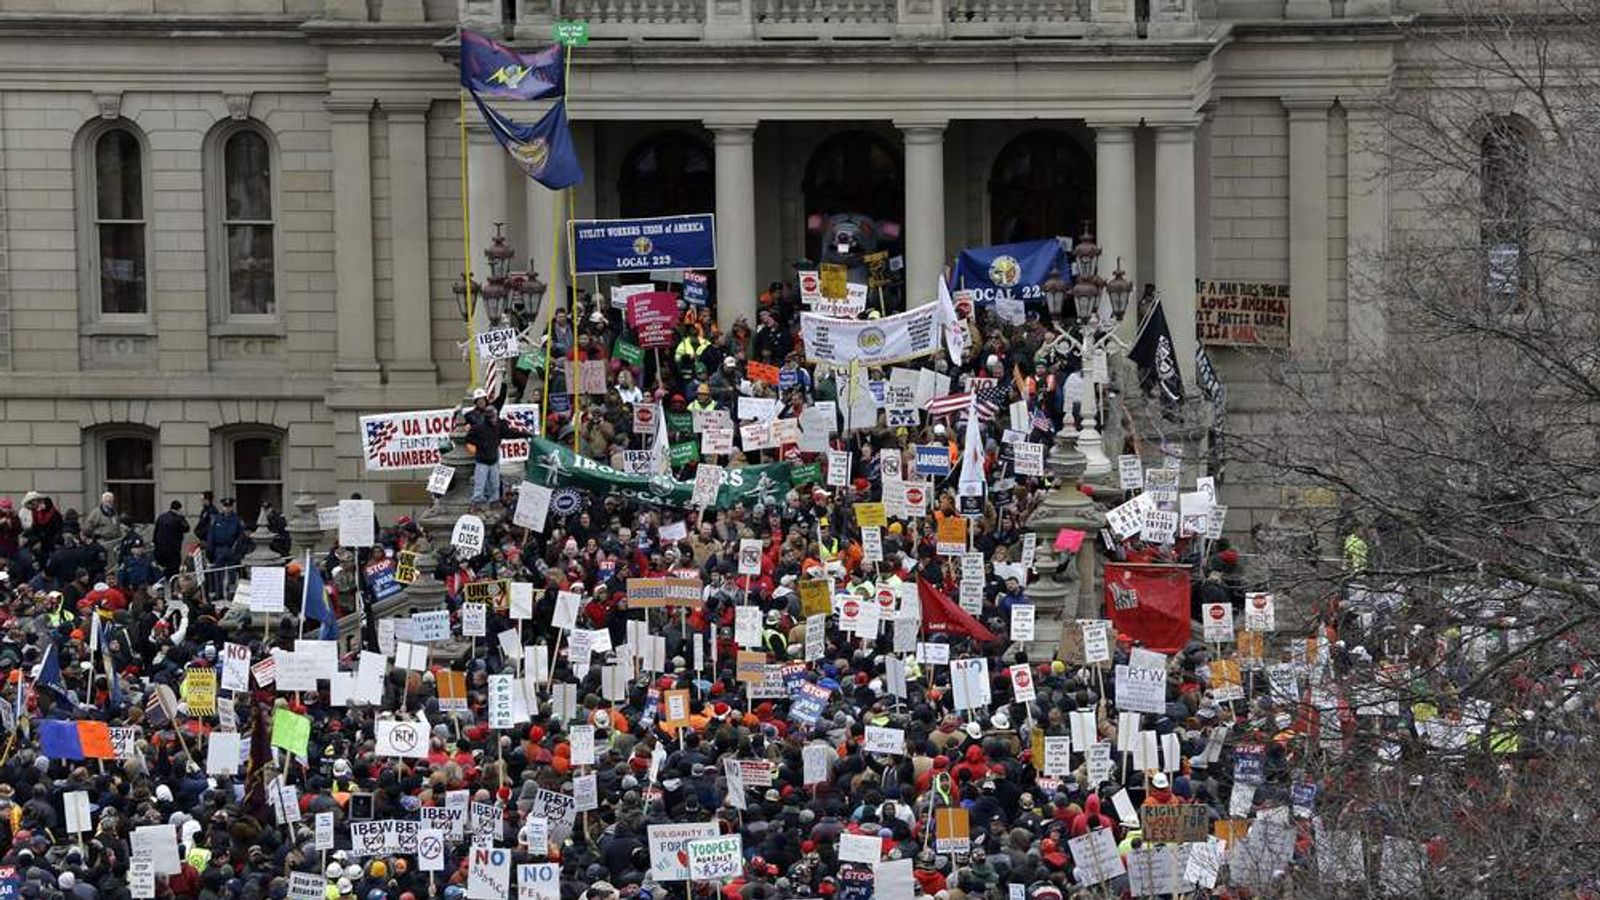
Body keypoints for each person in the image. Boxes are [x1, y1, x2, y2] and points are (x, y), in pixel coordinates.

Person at [462, 387, 530, 511]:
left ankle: (494, 502)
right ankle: (477, 505)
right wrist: (475, 449)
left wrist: (527, 434)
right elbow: (468, 439)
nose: (496, 418)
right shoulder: (474, 422)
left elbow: (510, 433)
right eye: (479, 400)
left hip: (493, 455)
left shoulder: (498, 425)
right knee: (480, 483)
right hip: (482, 457)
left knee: (495, 482)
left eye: (483, 399)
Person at [153, 499, 188, 576]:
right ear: (179, 509)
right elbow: (186, 528)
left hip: (160, 551)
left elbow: (155, 535)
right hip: (173, 551)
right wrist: (182, 518)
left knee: (163, 572)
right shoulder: (177, 520)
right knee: (173, 573)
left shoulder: (161, 518)